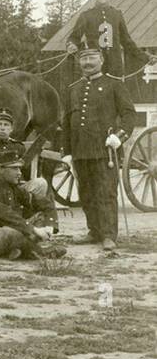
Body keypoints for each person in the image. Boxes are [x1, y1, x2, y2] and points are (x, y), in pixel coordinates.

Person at [61, 45, 139, 251]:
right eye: (83, 58)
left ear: (101, 60)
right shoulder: (73, 89)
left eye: (92, 57)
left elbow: (130, 114)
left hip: (106, 150)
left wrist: (118, 137)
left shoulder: (114, 85)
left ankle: (108, 235)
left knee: (105, 193)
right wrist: (67, 152)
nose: (87, 62)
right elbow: (67, 122)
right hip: (80, 151)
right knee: (86, 193)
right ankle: (94, 231)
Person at [0, 149, 60, 260]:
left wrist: (50, 226)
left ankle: (17, 250)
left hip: (9, 232)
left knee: (40, 216)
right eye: (14, 168)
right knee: (11, 232)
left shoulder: (12, 186)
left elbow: (44, 203)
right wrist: (34, 229)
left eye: (19, 168)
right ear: (0, 169)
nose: (19, 173)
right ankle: (39, 252)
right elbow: (6, 214)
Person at [66, 0, 155, 79]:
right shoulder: (86, 16)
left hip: (115, 67)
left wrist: (146, 57)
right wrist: (71, 45)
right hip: (95, 66)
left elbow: (127, 41)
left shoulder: (117, 14)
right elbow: (74, 37)